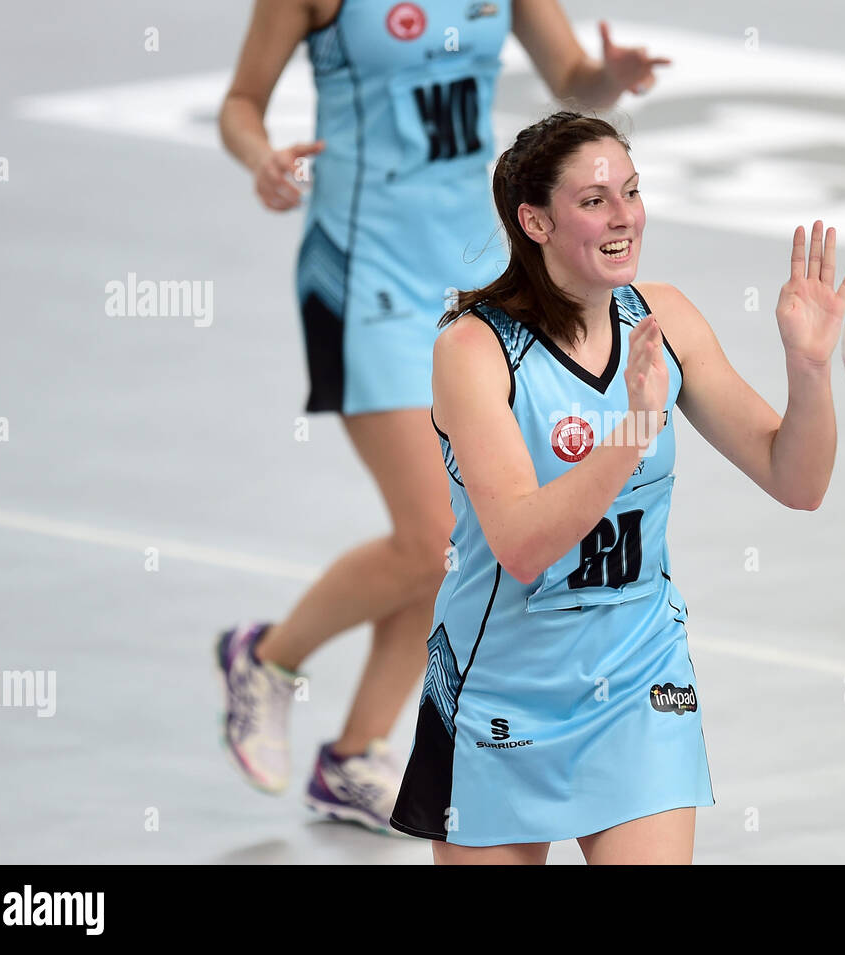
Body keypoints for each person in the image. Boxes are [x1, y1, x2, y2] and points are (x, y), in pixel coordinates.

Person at [213, 0, 669, 833]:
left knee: (454, 539)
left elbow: (573, 76)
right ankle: (267, 658)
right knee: (431, 535)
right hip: (362, 276)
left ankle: (353, 754)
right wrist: (263, 158)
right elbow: (240, 102)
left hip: (469, 272)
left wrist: (615, 78)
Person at [387, 111, 845, 864]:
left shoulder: (662, 318)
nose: (624, 217)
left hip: (640, 680)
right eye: (595, 200)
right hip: (501, 693)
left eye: (632, 192)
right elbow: (520, 543)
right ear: (534, 220)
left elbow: (796, 480)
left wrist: (808, 371)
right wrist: (631, 433)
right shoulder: (474, 351)